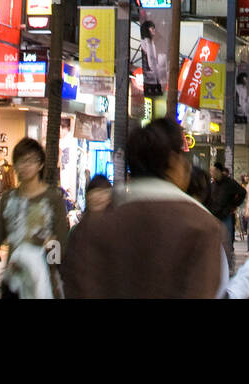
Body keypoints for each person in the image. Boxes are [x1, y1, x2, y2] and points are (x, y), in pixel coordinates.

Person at [62, 119, 226, 298]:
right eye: (182, 156)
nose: (187, 166)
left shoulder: (91, 227)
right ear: (172, 162)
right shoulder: (202, 227)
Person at [0, 138, 69, 299]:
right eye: (21, 161)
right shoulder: (7, 199)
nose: (25, 166)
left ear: (40, 165)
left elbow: (61, 245)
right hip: (13, 282)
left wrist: (48, 254)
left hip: (43, 284)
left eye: (31, 161)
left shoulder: (53, 199)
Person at [207, 162, 246, 266]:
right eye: (211, 171)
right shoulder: (212, 185)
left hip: (225, 216)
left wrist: (233, 205)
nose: (212, 173)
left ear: (219, 171)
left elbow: (242, 192)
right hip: (214, 215)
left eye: (213, 171)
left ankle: (228, 263)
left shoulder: (229, 183)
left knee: (226, 241)